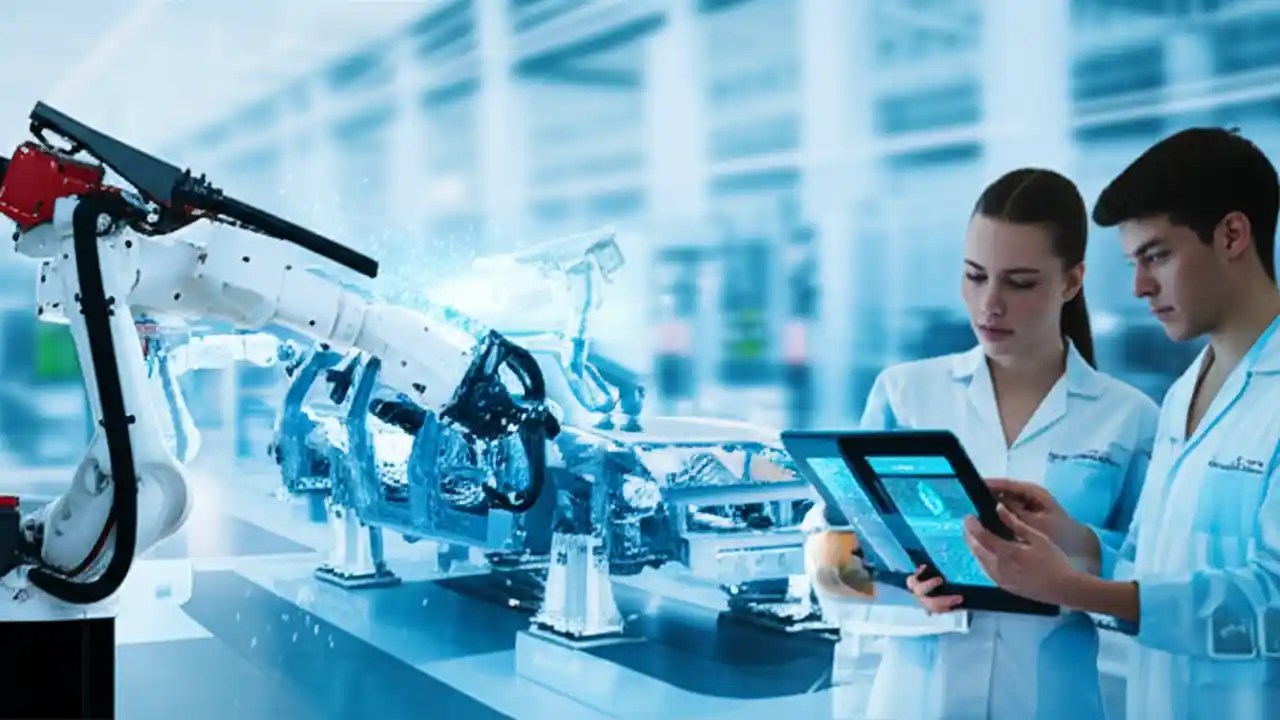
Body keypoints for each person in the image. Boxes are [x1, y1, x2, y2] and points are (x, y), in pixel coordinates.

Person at [804, 167, 1160, 720]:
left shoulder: (1130, 420)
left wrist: (1077, 549)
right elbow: (826, 558)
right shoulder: (905, 394)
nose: (989, 304)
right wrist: (902, 596)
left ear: (1071, 282)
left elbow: (1152, 588)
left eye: (1019, 283)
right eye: (974, 275)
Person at [964, 128, 1280, 719]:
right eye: (1134, 262)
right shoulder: (1187, 393)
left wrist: (1070, 589)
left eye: (1157, 255)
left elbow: (1271, 603)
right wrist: (1072, 540)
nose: (1139, 287)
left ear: (1233, 235)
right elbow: (1157, 565)